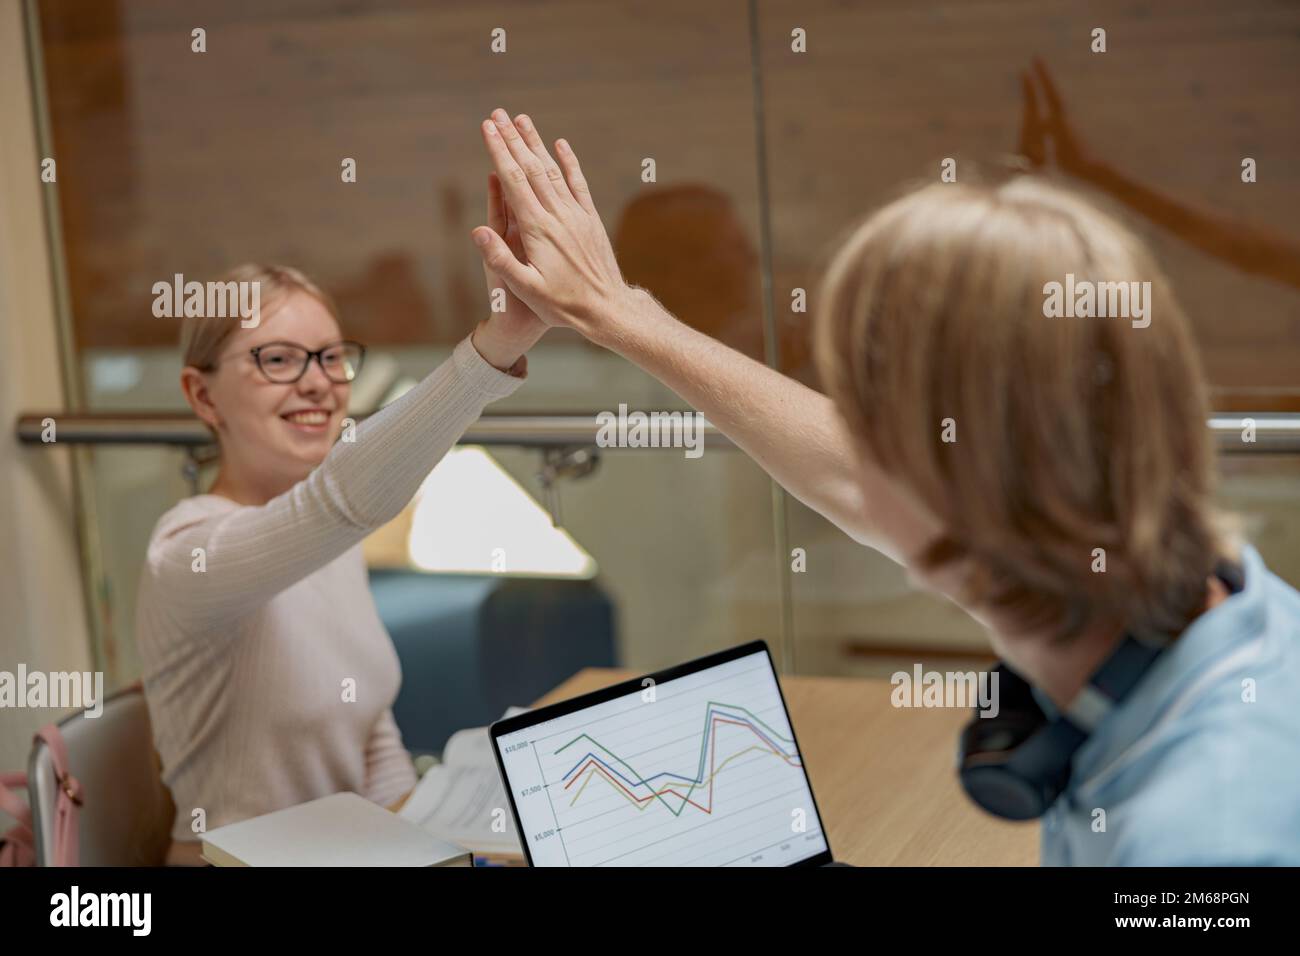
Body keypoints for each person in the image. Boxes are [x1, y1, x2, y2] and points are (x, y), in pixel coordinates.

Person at [466, 108, 1300, 864]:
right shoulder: (1212, 609)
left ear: (962, 481)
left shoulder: (1201, 838)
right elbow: (845, 475)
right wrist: (620, 313)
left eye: (869, 418)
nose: (851, 450)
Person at [136, 176, 545, 864]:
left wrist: (460, 846)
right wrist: (495, 347)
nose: (318, 381)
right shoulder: (186, 554)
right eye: (277, 359)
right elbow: (341, 499)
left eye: (330, 356)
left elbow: (373, 750)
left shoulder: (330, 544)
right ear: (201, 396)